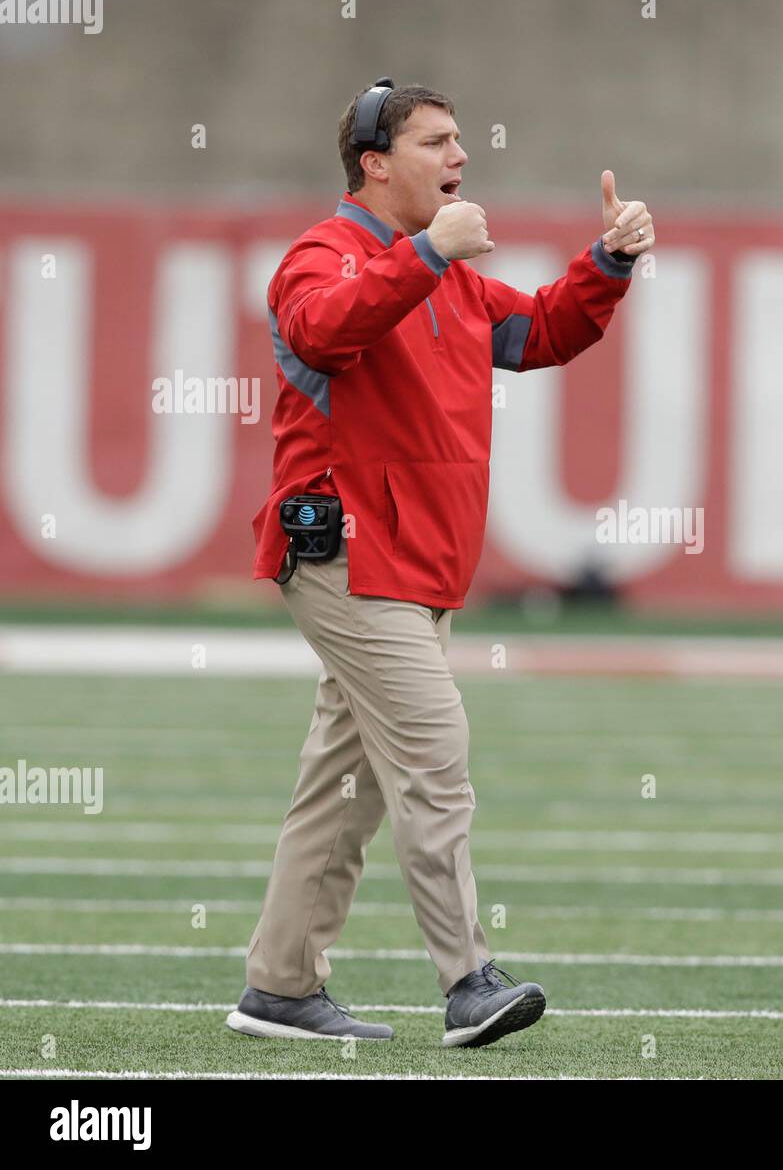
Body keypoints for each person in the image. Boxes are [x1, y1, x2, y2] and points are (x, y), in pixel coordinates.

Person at [225, 80, 654, 1049]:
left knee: (345, 786)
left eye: (460, 139)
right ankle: (467, 980)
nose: (460, 156)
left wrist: (608, 262)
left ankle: (279, 985)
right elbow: (322, 329)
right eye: (437, 141)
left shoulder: (452, 278)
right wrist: (426, 253)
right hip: (346, 551)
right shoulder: (325, 255)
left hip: (417, 561)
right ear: (375, 162)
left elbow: (540, 331)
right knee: (432, 754)